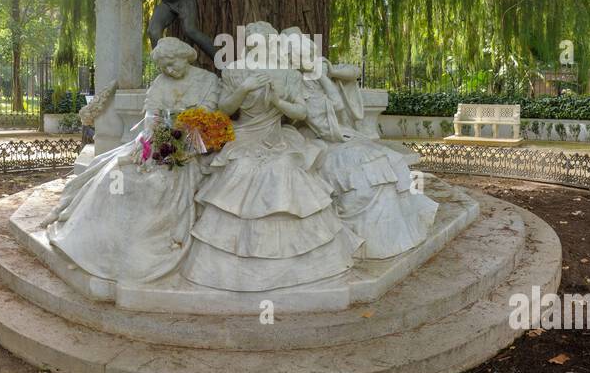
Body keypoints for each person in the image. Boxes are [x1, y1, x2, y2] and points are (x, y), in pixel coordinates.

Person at [182, 22, 360, 292]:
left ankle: (290, 261)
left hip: (277, 137)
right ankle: (235, 264)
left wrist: (278, 102)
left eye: (262, 41)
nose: (256, 45)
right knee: (241, 168)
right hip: (243, 136)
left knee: (285, 167)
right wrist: (244, 88)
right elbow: (224, 110)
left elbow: (300, 113)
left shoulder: (288, 74)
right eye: (252, 41)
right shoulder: (234, 70)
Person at [48, 37, 221, 284]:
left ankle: (140, 248)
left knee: (155, 185)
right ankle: (95, 238)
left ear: (184, 57)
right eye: (163, 67)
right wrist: (152, 137)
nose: (168, 71)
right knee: (112, 169)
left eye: (172, 64)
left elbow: (208, 116)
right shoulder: (161, 82)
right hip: (159, 141)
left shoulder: (207, 81)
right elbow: (152, 113)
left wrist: (179, 136)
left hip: (192, 146)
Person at [281, 29, 437, 259]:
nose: (304, 55)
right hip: (319, 139)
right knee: (364, 166)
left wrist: (327, 73)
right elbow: (331, 110)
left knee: (385, 160)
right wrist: (321, 78)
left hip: (340, 135)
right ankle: (371, 241)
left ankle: (390, 236)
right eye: (297, 52)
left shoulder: (319, 73)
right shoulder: (294, 84)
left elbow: (349, 79)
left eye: (305, 49)